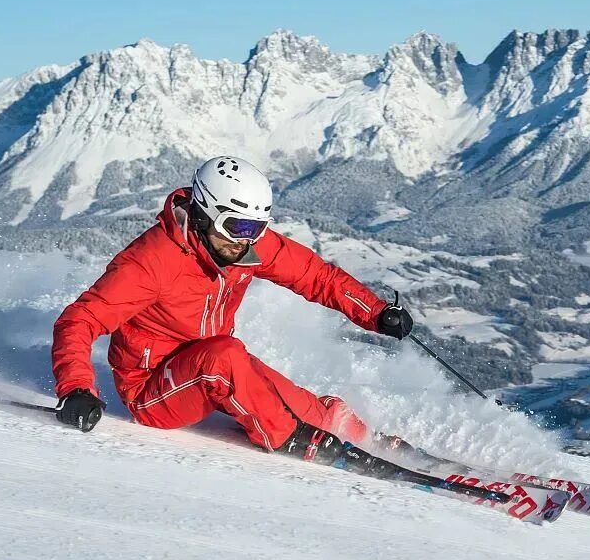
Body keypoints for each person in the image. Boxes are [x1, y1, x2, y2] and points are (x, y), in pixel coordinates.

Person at [50, 155, 414, 454]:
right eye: (238, 227)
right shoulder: (151, 262)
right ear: (204, 214)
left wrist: (376, 312)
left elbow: (314, 276)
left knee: (304, 405)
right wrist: (77, 389)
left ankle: (367, 442)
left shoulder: (241, 246)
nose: (247, 242)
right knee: (227, 358)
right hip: (152, 391)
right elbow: (79, 321)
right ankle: (293, 439)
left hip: (213, 367)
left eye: (257, 228)